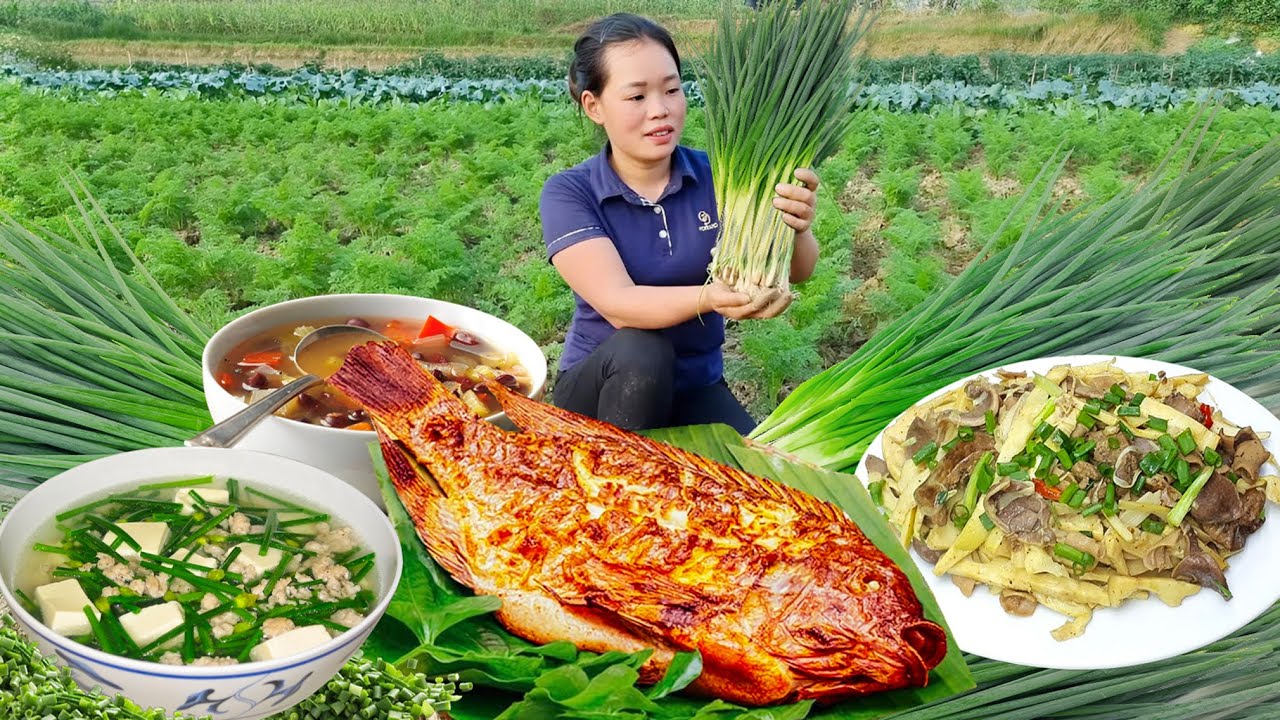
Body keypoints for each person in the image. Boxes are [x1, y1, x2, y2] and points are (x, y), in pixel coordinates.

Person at [539, 13, 821, 435]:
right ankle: (616, 483)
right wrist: (710, 298)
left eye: (672, 89)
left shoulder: (723, 175)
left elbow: (801, 271)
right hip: (601, 391)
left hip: (694, 385)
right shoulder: (571, 192)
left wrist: (796, 227)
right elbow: (619, 304)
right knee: (642, 349)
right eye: (637, 97)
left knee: (761, 472)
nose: (661, 110)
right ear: (594, 106)